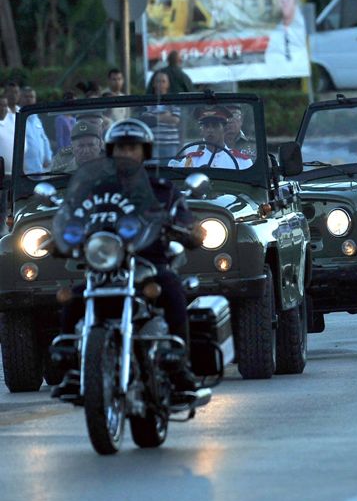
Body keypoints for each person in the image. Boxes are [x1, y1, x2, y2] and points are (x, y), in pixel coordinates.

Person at [51, 118, 201, 400]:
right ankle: (72, 370)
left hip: (149, 263)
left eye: (132, 148)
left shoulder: (162, 189)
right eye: (120, 148)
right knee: (73, 298)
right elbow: (75, 215)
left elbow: (185, 220)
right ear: (110, 151)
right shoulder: (96, 189)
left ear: (143, 152)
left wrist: (187, 229)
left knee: (172, 289)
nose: (126, 153)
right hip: (107, 265)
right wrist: (59, 236)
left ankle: (180, 367)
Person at [168, 106, 254, 169]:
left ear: (224, 128)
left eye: (215, 126)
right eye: (206, 126)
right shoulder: (191, 161)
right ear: (202, 130)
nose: (210, 130)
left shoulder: (241, 161)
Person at [143, 70, 182, 160]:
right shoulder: (147, 101)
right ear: (153, 84)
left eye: (163, 81)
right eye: (157, 81)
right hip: (152, 143)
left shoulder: (173, 101)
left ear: (168, 84)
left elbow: (175, 120)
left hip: (170, 143)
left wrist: (155, 118)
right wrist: (165, 116)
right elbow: (146, 120)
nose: (160, 84)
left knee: (170, 168)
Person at [19, 87, 53, 174]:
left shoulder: (36, 119)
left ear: (35, 99)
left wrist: (48, 157)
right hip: (26, 172)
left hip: (40, 169)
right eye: (26, 97)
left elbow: (44, 139)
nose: (29, 99)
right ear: (20, 98)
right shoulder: (17, 119)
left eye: (31, 97)